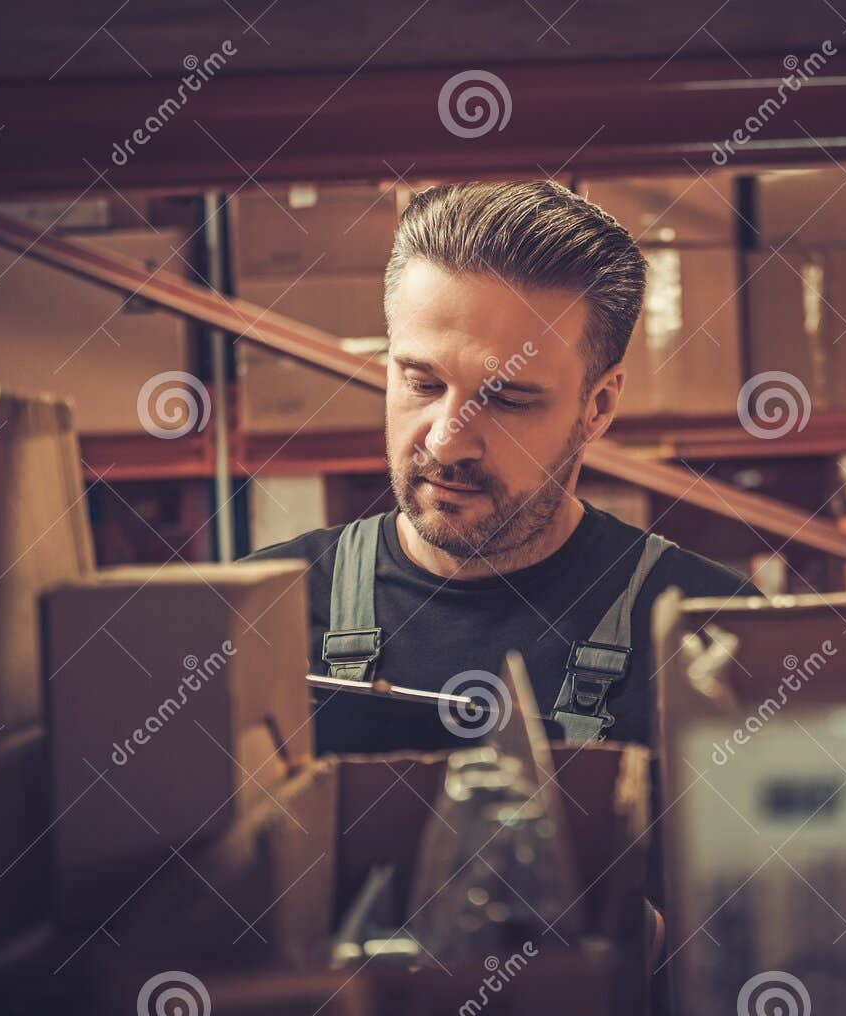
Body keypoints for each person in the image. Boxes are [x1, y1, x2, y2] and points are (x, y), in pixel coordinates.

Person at [248, 180, 760, 751]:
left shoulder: (716, 635)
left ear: (599, 406)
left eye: (507, 400)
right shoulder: (257, 617)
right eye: (422, 383)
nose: (446, 443)